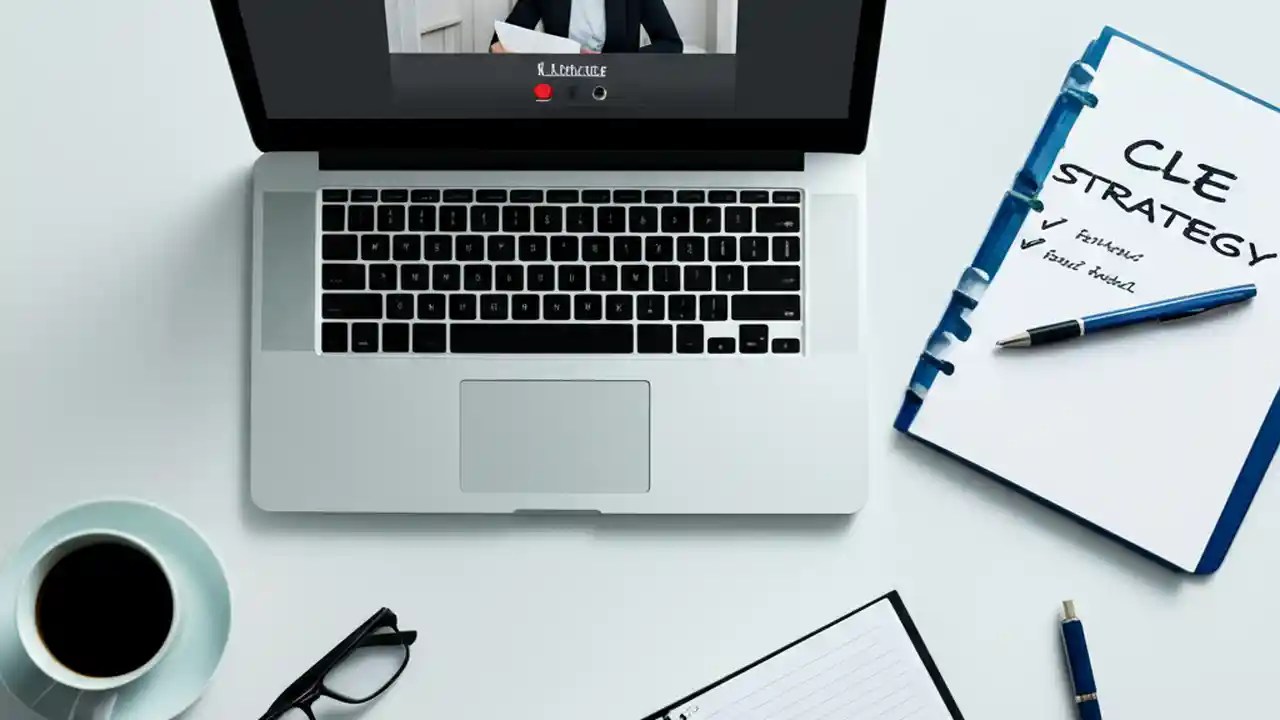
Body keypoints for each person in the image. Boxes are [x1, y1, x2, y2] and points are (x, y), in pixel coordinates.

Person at [490, 0, 683, 54]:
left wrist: (618, 63)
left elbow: (671, 44)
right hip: (559, 92)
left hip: (620, 92)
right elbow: (500, 43)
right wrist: (564, 52)